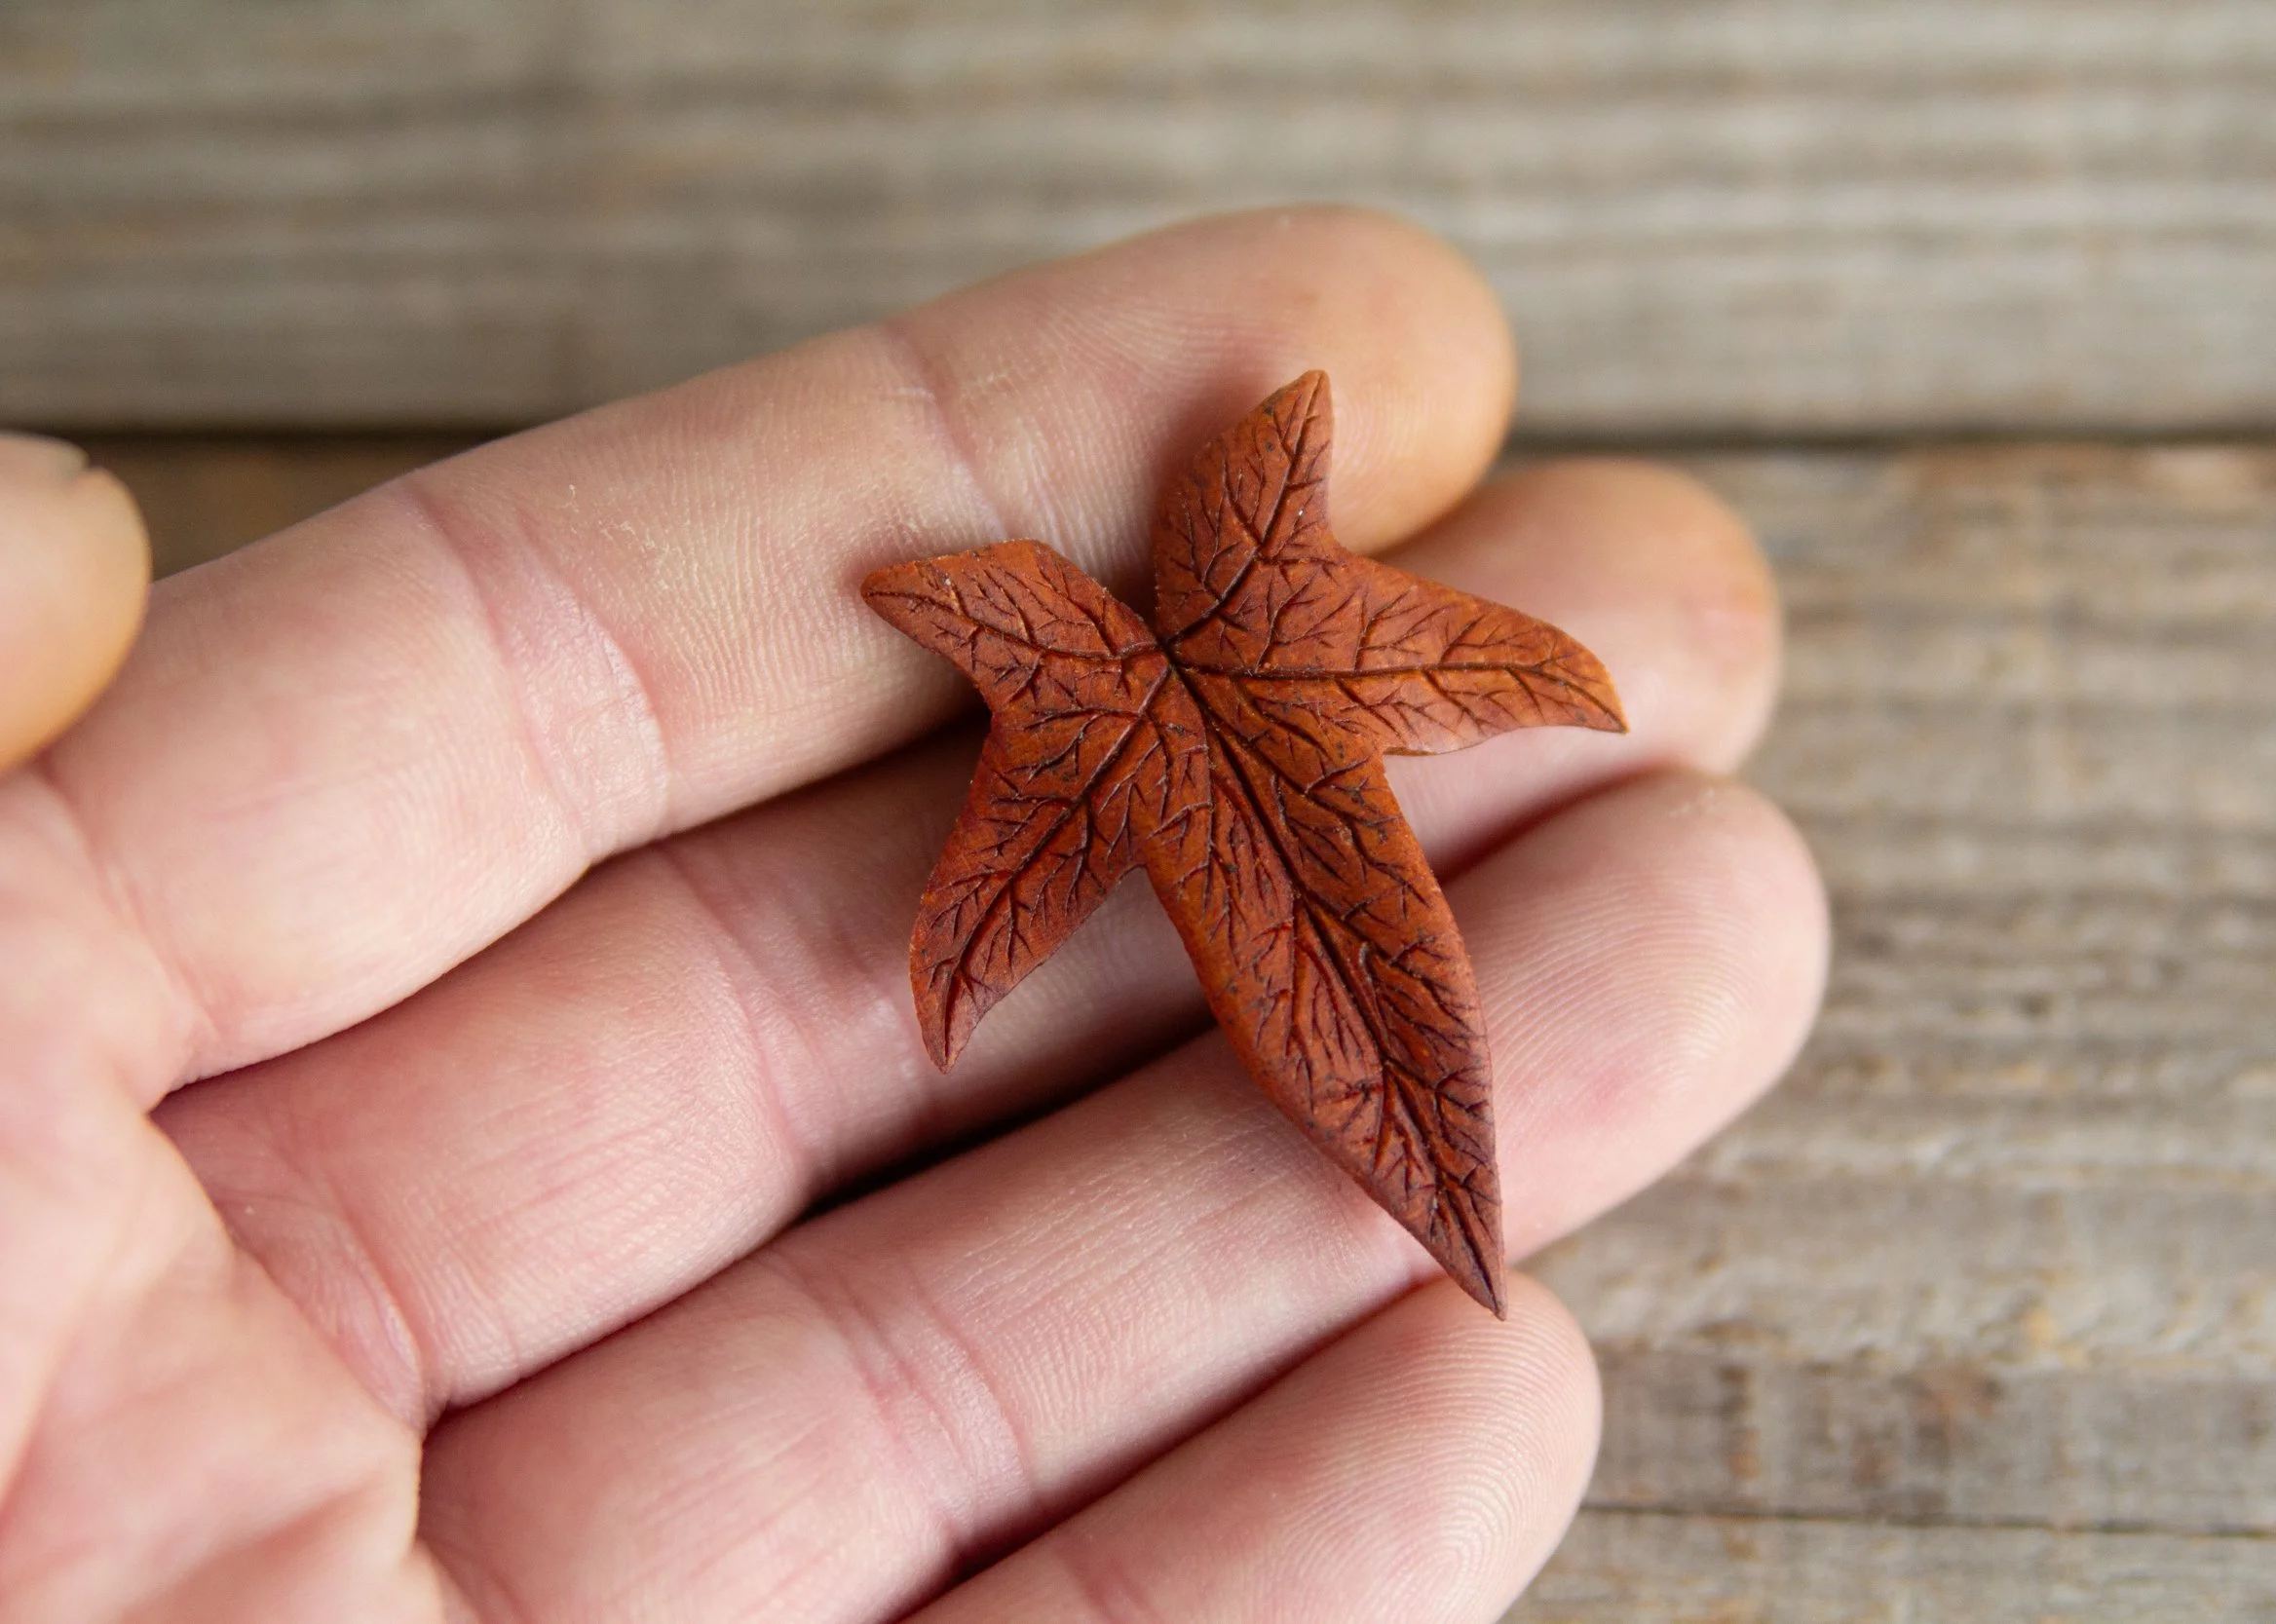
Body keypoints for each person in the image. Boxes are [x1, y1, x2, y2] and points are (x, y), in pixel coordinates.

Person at [0, 208, 1826, 1622]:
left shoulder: (1160, 629)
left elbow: (1477, 658)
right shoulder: (1145, 623)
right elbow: (1013, 876)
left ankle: (1445, 1183)